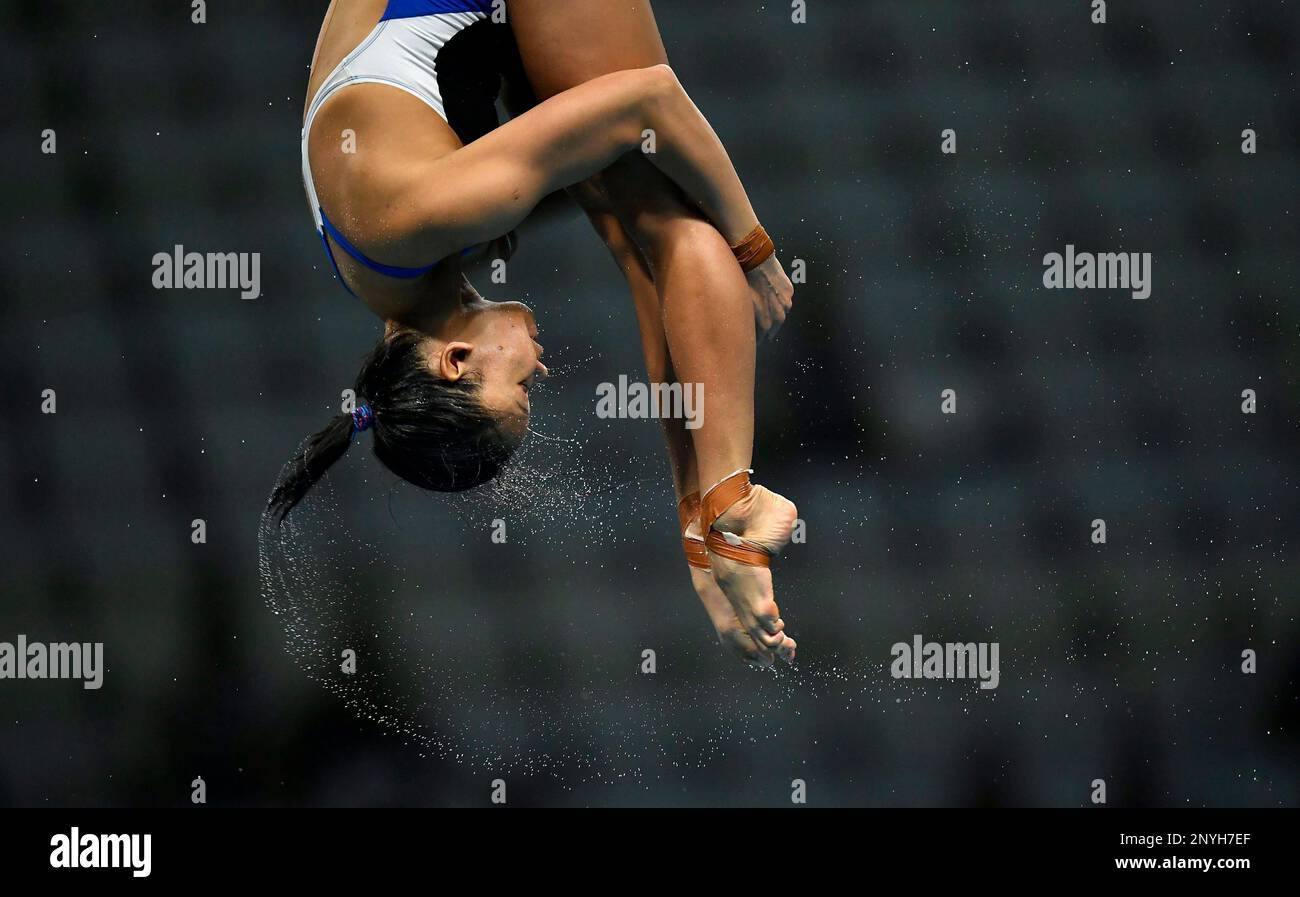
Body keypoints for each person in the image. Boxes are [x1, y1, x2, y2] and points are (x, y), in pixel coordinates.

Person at [269, 0, 797, 666]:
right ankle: (716, 512)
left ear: (456, 361)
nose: (541, 372)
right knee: (631, 229)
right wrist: (691, 531)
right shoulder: (396, 267)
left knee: (665, 219)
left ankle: (735, 497)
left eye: (520, 386)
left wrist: (751, 243)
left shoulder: (423, 213)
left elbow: (651, 104)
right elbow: (629, 252)